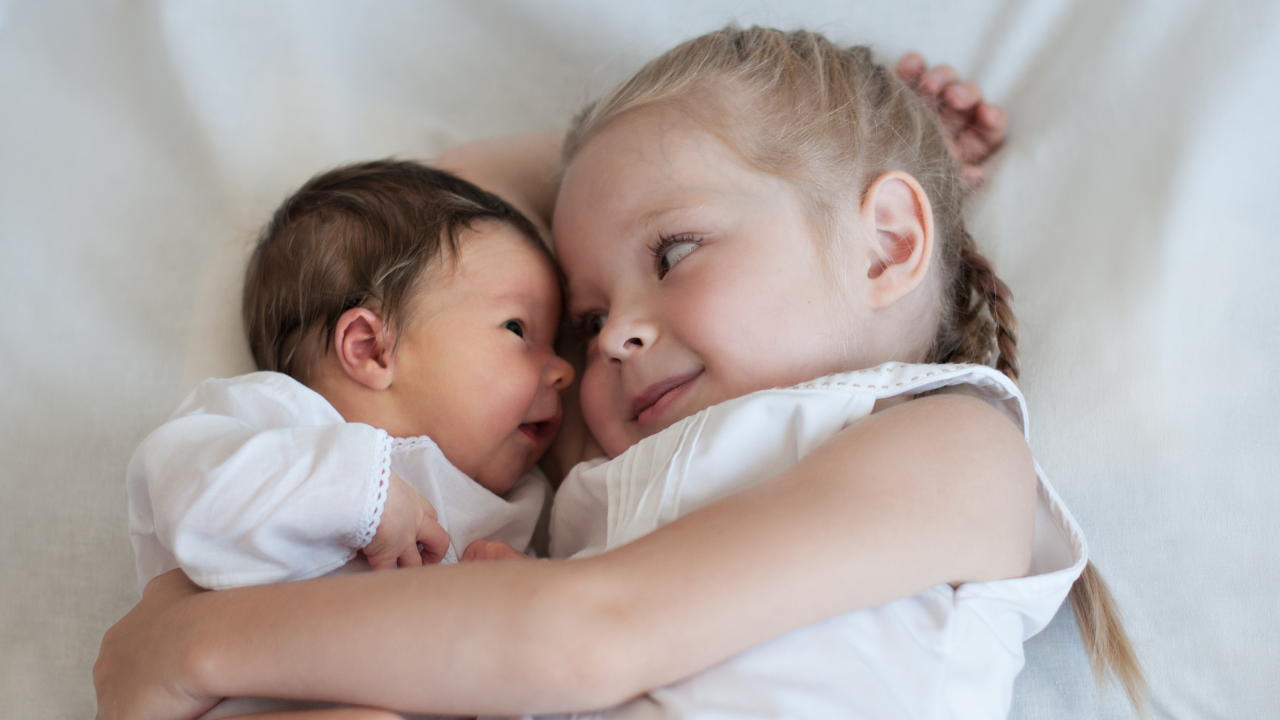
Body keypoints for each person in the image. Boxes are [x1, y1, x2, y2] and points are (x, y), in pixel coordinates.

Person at [95, 28, 1141, 720]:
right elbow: (424, 224)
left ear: (883, 246)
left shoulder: (948, 444)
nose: (605, 343)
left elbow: (590, 634)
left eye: (674, 251)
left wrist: (194, 645)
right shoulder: (605, 448)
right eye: (586, 314)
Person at [125, 160, 574, 717]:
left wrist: (523, 605)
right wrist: (363, 492)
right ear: (370, 348)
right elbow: (192, 494)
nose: (563, 370)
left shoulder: (516, 509)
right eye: (517, 329)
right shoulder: (280, 421)